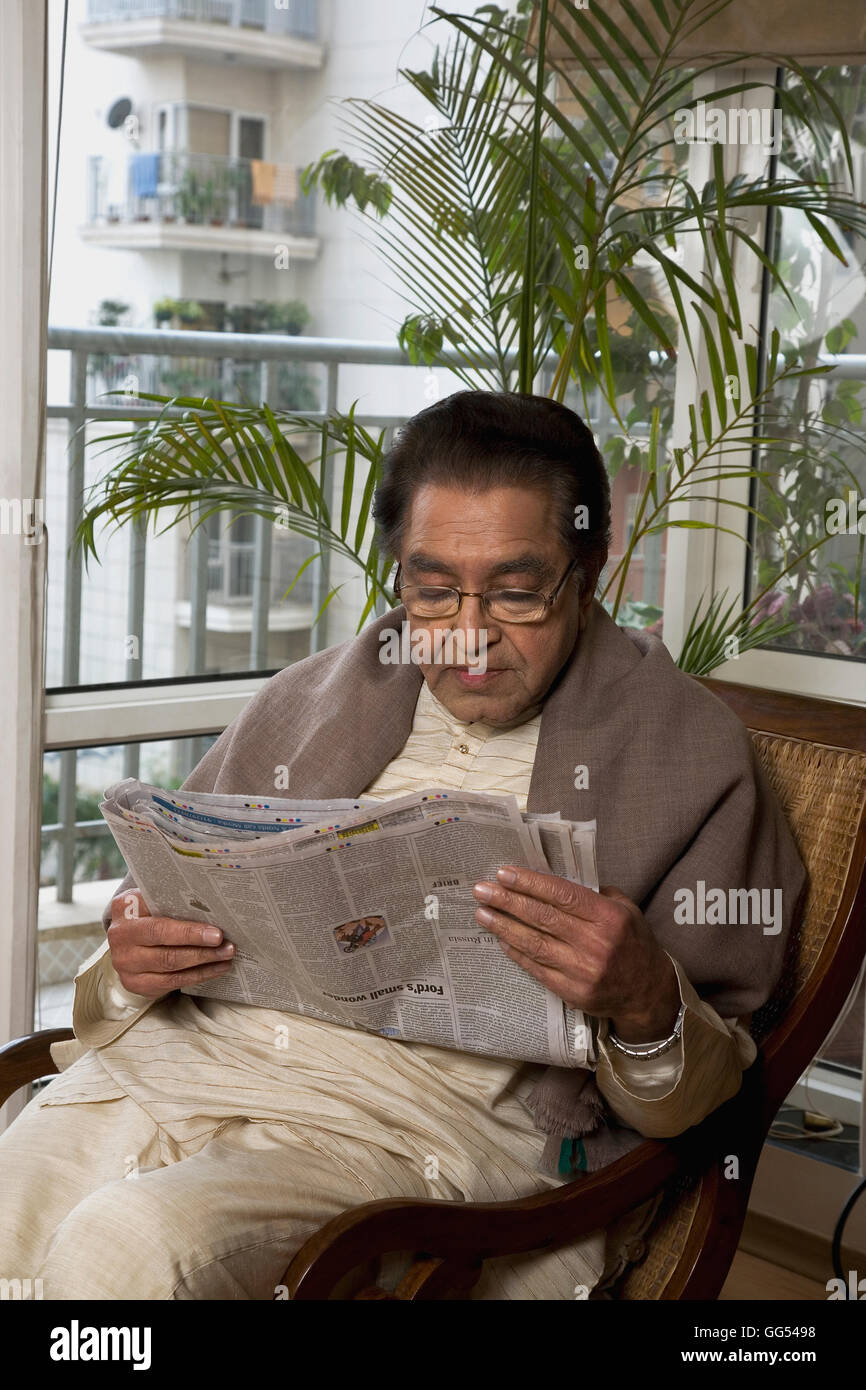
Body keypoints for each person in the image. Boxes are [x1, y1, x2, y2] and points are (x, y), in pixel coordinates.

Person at [0, 391, 806, 1300]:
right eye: (432, 591)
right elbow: (136, 948)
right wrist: (133, 961)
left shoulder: (689, 754)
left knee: (129, 1249)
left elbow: (698, 1105)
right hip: (189, 1069)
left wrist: (645, 997)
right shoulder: (307, 699)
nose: (468, 633)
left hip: (415, 1136)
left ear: (589, 569)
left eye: (515, 590)